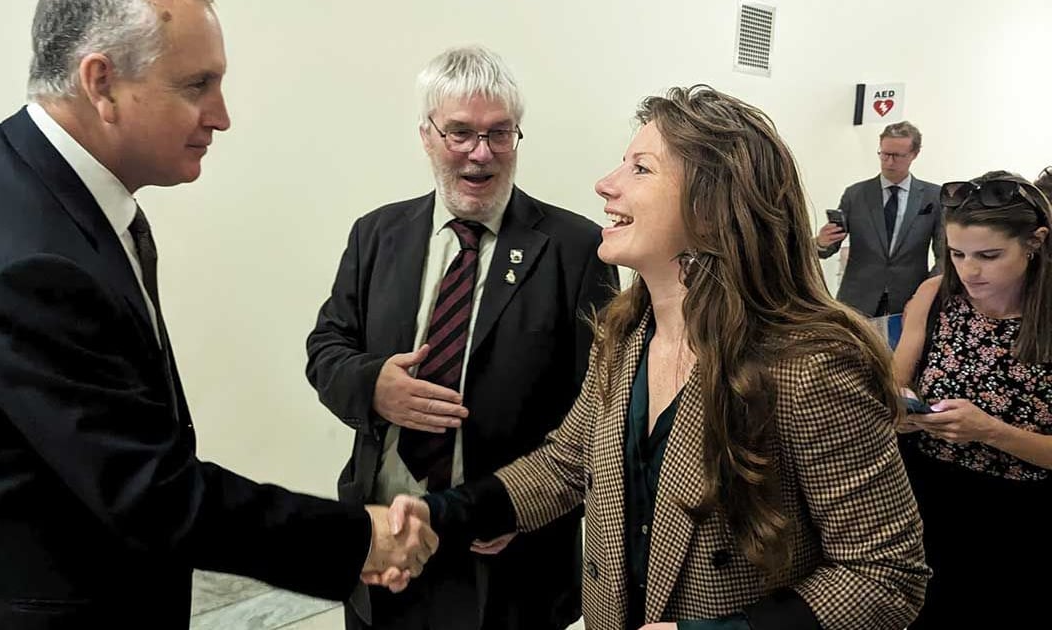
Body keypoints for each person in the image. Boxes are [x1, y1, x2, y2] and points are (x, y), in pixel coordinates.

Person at [0, 1, 434, 627]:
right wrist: (356, 538)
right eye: (196, 86)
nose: (223, 116)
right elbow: (149, 492)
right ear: (101, 83)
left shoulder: (28, 181)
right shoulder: (28, 262)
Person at [386, 85, 929, 630]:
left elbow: (884, 575)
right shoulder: (622, 335)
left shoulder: (811, 365)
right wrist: (447, 514)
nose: (605, 184)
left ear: (713, 206)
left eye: (640, 169)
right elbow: (565, 465)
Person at [306, 46, 616, 630]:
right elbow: (327, 346)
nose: (481, 154)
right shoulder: (377, 234)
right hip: (386, 538)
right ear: (427, 135)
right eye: (461, 133)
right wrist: (373, 387)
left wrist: (525, 505)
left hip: (511, 553)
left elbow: (602, 405)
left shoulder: (576, 249)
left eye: (500, 133)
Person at [892, 171, 1051, 627]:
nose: (969, 271)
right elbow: (896, 383)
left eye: (989, 255)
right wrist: (903, 411)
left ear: (1034, 242)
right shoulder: (935, 296)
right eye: (957, 254)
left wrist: (992, 432)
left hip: (1018, 513)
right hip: (928, 496)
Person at [816, 121, 944, 316]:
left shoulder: (933, 197)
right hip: (857, 299)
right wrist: (821, 243)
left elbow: (944, 256)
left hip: (909, 300)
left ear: (914, 154)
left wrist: (925, 293)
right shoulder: (855, 194)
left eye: (897, 156)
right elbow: (827, 249)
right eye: (884, 154)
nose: (889, 162)